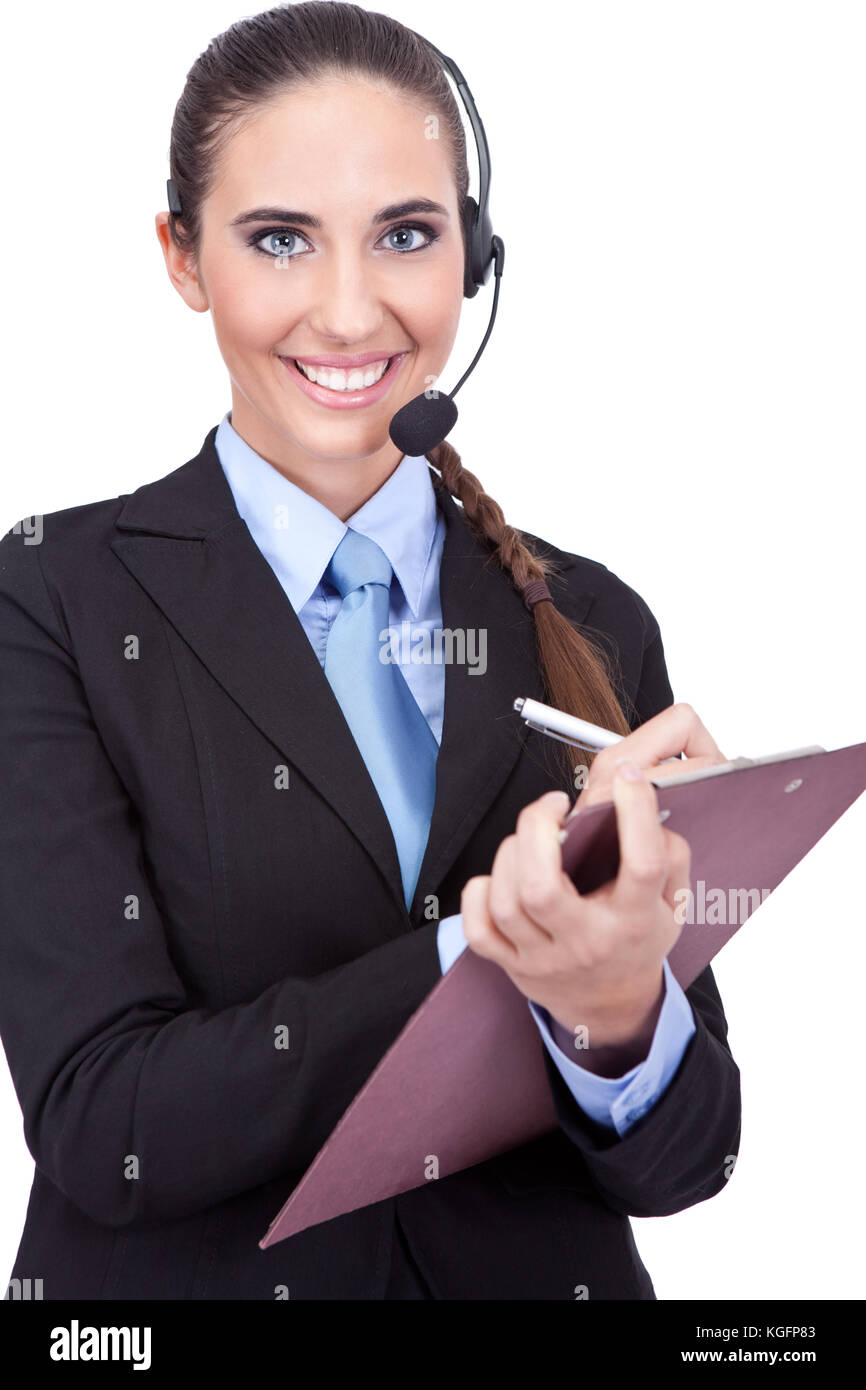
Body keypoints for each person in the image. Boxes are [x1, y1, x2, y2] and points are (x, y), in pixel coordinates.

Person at [0, 1, 740, 1301]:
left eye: (405, 234)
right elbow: (101, 1123)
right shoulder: (48, 598)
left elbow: (688, 1159)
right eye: (279, 239)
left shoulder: (594, 615)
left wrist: (618, 1009)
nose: (349, 313)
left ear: (474, 256)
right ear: (181, 258)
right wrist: (484, 953)